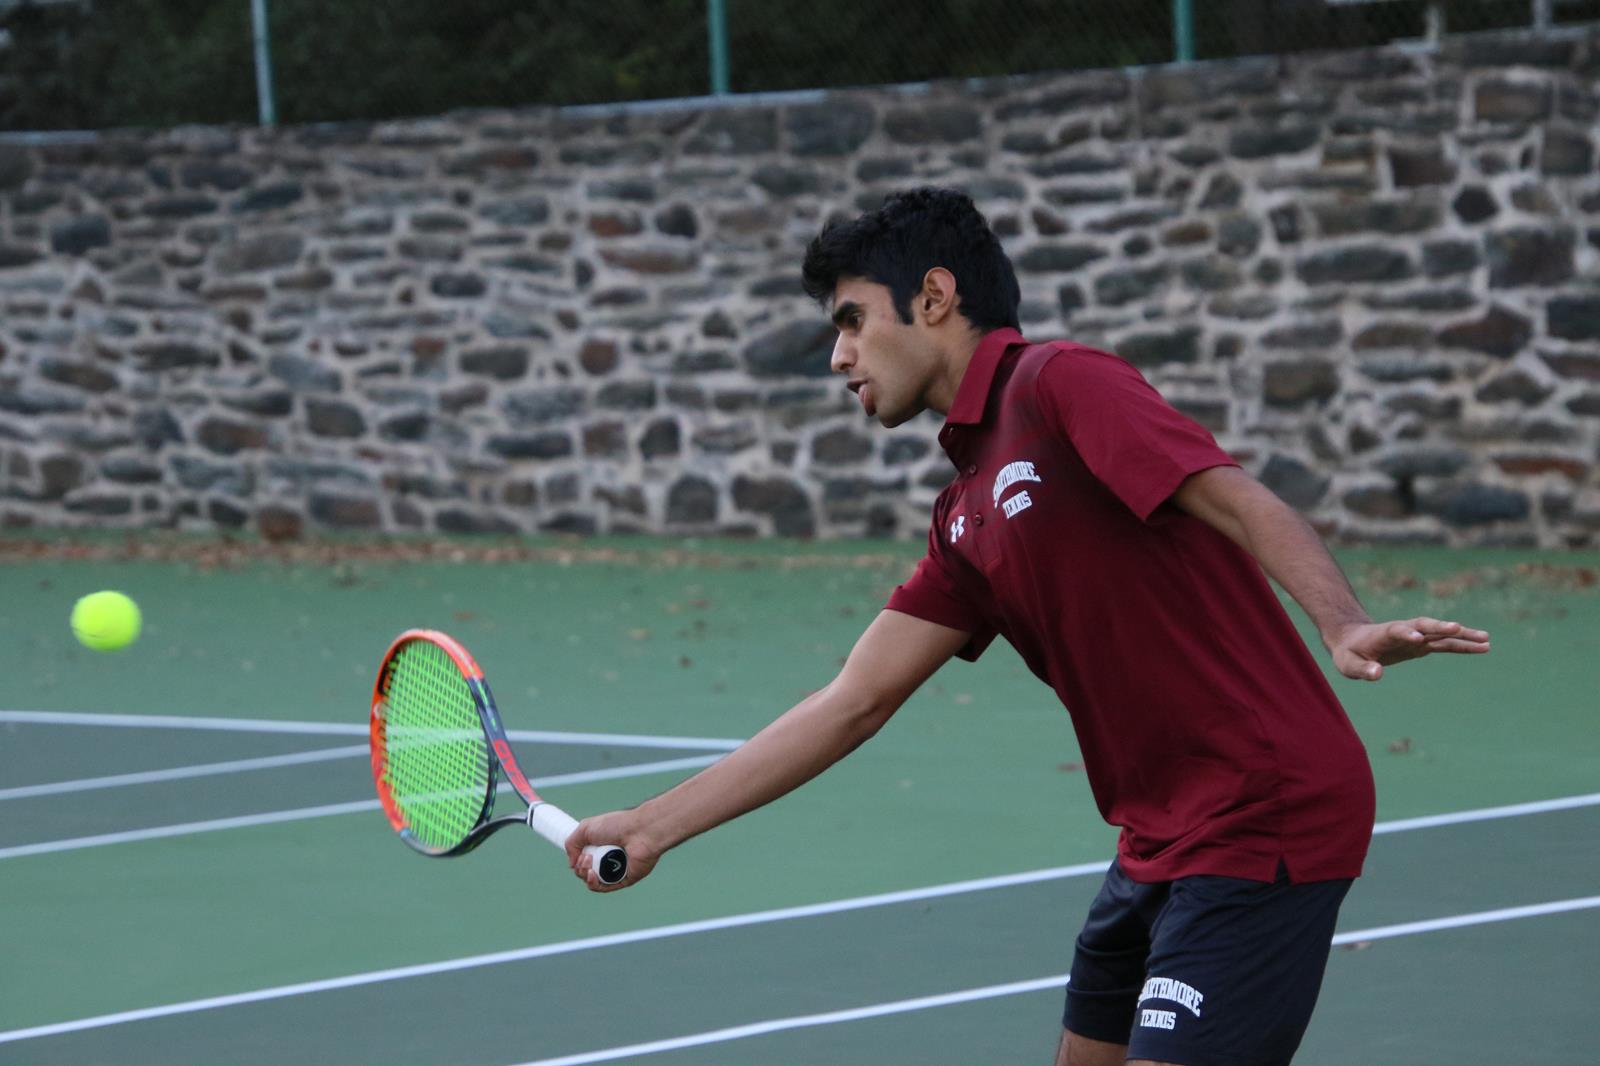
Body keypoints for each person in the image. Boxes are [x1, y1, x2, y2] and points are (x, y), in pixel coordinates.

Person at [566, 187, 1490, 1065]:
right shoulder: (964, 512)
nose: (840, 357)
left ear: (933, 298)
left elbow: (1239, 501)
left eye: (851, 320)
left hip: (1264, 812)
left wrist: (1342, 622)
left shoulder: (1060, 385)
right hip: (1154, 838)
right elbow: (855, 699)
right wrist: (652, 826)